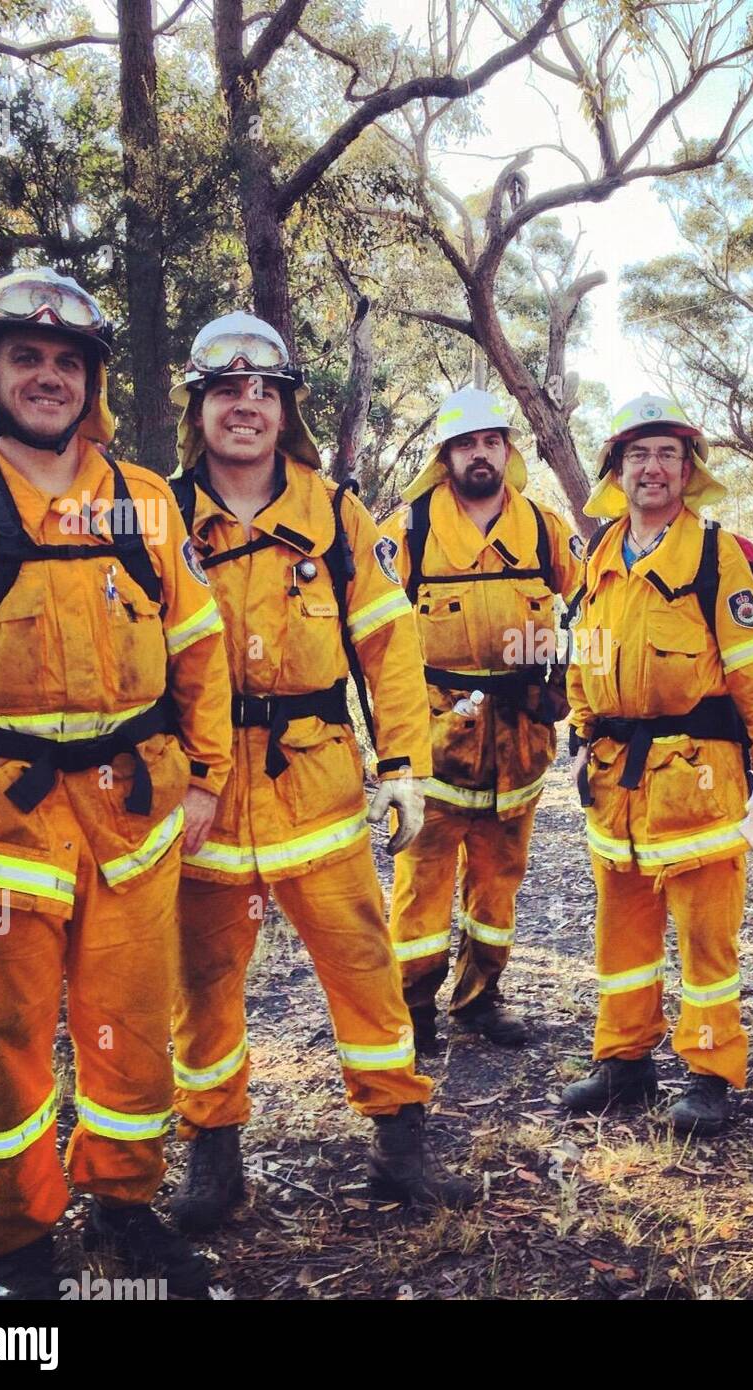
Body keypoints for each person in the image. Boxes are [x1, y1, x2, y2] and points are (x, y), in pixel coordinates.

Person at [0, 267, 232, 1298]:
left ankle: (126, 1210)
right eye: (25, 357)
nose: (47, 376)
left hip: (134, 819)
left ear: (91, 383)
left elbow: (199, 647)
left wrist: (207, 781)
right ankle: (14, 1241)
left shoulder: (144, 503)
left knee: (128, 1028)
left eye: (66, 361)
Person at [166, 313, 475, 1231]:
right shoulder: (162, 514)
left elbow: (389, 645)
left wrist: (405, 764)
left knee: (364, 967)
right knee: (204, 980)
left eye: (265, 391)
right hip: (205, 795)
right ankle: (213, 1158)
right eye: (226, 390)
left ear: (287, 409)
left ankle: (399, 1146)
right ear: (199, 408)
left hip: (320, 784)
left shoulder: (339, 516)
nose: (246, 406)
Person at [560, 394, 753, 1136]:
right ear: (616, 471)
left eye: (667, 455)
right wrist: (584, 734)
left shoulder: (718, 556)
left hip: (699, 777)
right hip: (616, 780)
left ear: (689, 471)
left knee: (707, 936)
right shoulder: (597, 557)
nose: (652, 469)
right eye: (637, 455)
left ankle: (711, 1070)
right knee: (621, 931)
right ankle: (624, 1061)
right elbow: (583, 655)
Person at [378, 387, 581, 1055]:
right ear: (446, 456)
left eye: (491, 441)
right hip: (434, 736)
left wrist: (566, 678)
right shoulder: (409, 532)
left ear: (507, 449)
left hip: (518, 740)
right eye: (466, 444)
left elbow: (595, 608)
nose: (480, 454)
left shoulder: (547, 530)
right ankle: (413, 1007)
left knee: (499, 882)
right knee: (422, 885)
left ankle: (480, 998)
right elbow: (369, 626)